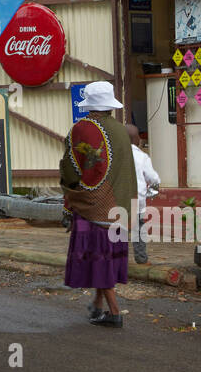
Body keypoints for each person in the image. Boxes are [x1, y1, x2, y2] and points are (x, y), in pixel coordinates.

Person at [60, 81, 137, 328]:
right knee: (107, 257)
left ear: (89, 105)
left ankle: (114, 312)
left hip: (95, 205)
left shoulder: (83, 129)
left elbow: (73, 167)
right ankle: (97, 305)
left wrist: (69, 193)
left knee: (98, 258)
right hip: (121, 206)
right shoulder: (122, 130)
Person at [126, 123, 161, 265]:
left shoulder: (114, 154)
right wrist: (150, 193)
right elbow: (154, 179)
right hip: (137, 199)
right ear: (137, 139)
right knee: (138, 228)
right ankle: (141, 258)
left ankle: (114, 259)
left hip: (116, 198)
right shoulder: (142, 157)